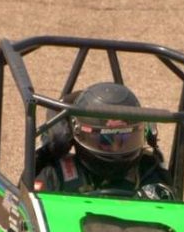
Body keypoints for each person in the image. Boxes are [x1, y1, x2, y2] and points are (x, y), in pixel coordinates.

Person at [35, 82, 176, 199]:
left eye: (124, 138)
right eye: (106, 139)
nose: (116, 148)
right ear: (80, 134)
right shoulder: (56, 174)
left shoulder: (148, 171)